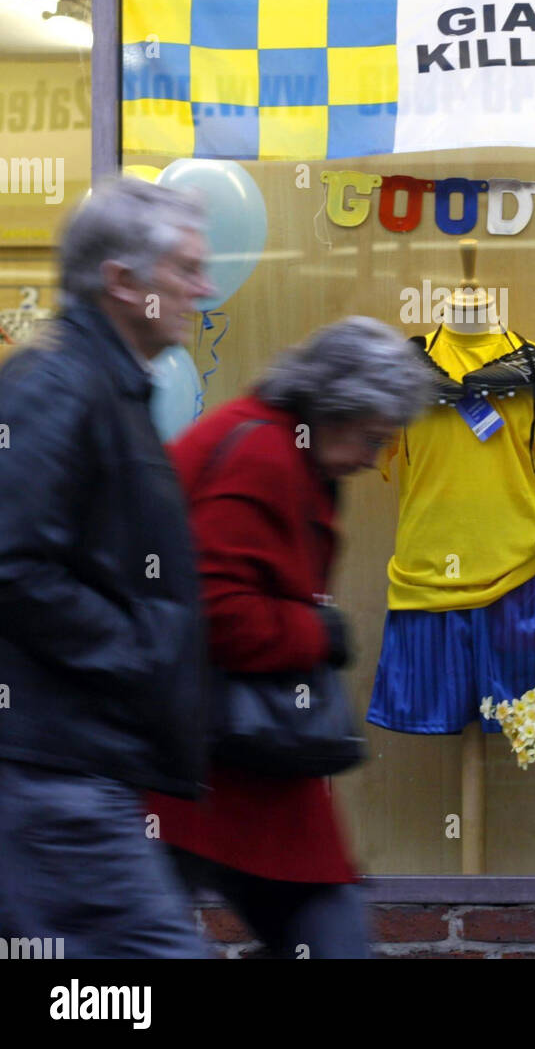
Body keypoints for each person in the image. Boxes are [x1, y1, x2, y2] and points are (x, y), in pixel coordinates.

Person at [149, 318, 436, 959]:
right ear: (338, 408)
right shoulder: (263, 454)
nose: (374, 457)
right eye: (373, 436)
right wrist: (319, 631)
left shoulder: (275, 445)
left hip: (232, 755)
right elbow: (219, 611)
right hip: (217, 760)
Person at [0, 176, 215, 957]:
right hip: (54, 775)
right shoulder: (59, 384)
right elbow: (11, 563)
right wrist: (138, 652)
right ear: (122, 282)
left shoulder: (104, 386)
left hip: (75, 768)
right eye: (186, 270)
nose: (205, 287)